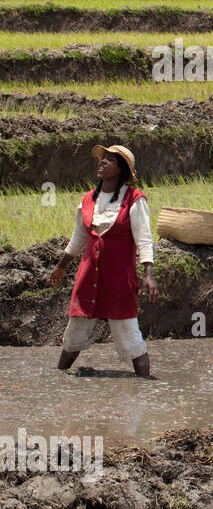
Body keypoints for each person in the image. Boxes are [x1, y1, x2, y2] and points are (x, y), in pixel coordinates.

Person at [45, 145, 158, 377]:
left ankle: (145, 386)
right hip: (87, 278)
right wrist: (61, 266)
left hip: (118, 280)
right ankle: (57, 378)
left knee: (128, 332)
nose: (102, 162)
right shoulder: (88, 200)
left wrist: (149, 274)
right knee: (74, 331)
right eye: (102, 159)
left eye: (109, 160)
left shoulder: (135, 200)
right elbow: (78, 239)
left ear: (122, 169)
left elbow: (144, 239)